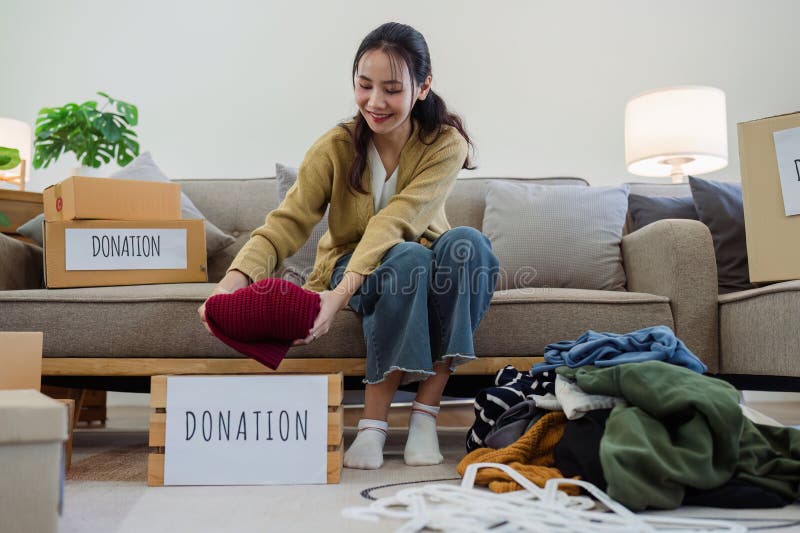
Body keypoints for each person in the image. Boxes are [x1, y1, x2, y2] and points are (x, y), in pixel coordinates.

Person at [198, 22, 499, 470]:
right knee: (408, 259)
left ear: (423, 87)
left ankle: (424, 415)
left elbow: (397, 220)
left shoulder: (445, 144)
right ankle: (374, 425)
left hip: (417, 258)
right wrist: (229, 285)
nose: (375, 102)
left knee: (468, 245)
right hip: (355, 266)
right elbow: (286, 223)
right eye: (364, 85)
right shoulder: (336, 146)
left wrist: (336, 301)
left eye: (392, 89)